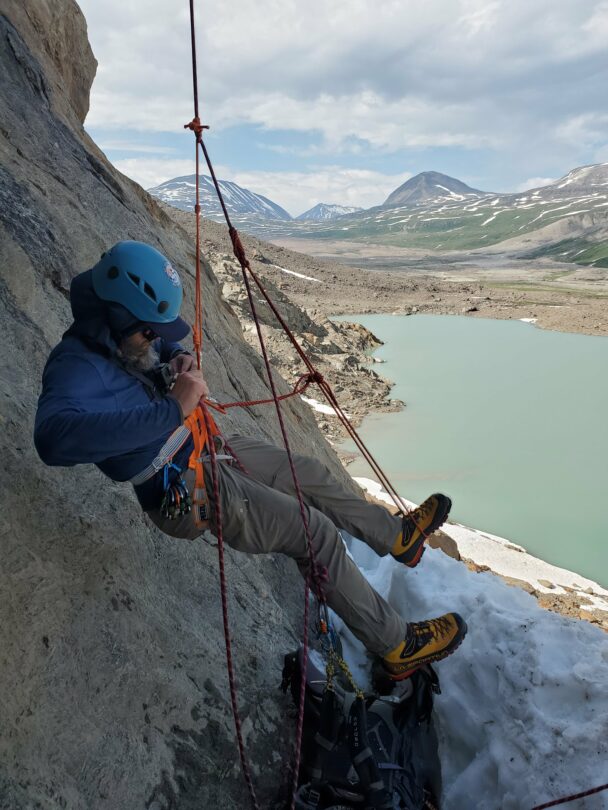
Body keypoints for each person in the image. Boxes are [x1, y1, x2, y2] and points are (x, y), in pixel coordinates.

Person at [34, 241, 467, 679]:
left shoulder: (123, 339)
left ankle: (397, 538)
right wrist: (172, 409)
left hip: (203, 447)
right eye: (149, 332)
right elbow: (51, 442)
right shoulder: (74, 368)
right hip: (183, 488)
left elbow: (147, 352)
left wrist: (174, 356)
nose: (155, 339)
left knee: (308, 474)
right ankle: (396, 645)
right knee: (313, 533)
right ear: (118, 315)